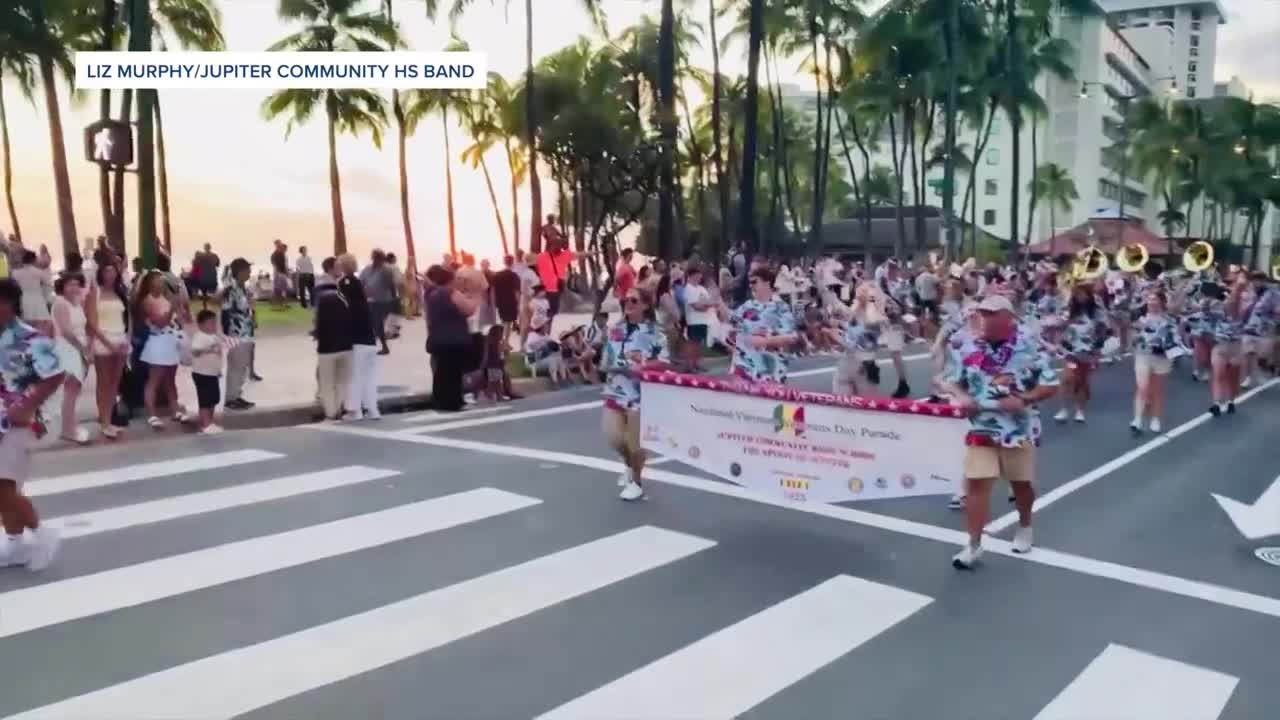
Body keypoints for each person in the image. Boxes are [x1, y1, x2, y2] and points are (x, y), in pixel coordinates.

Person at [943, 294, 1059, 569]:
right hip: (982, 426)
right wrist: (962, 397)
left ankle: (1025, 526)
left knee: (1020, 485)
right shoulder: (968, 347)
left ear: (1008, 319)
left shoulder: (1029, 348)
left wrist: (1026, 399)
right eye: (983, 313)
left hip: (1017, 428)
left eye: (992, 314)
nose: (984, 319)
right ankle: (973, 545)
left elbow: (1051, 384)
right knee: (976, 484)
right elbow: (951, 382)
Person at [0, 278, 65, 570]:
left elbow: (56, 374)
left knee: (3, 487)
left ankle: (43, 534)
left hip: (18, 422)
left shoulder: (31, 339)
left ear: (11, 304)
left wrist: (27, 404)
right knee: (7, 489)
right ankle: (15, 545)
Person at [601, 286, 670, 501]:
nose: (628, 305)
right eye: (625, 301)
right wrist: (605, 365)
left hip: (640, 395)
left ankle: (636, 482)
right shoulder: (616, 329)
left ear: (645, 305)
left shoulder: (655, 332)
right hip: (615, 389)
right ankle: (630, 465)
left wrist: (645, 366)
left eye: (633, 301)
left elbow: (665, 362)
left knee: (634, 442)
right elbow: (606, 357)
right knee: (613, 438)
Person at [725, 267, 799, 384]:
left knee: (771, 402)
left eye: (755, 282)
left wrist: (765, 341)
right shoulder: (746, 307)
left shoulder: (780, 307)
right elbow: (731, 326)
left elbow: (791, 337)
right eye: (750, 283)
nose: (751, 286)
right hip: (744, 369)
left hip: (771, 371)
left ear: (767, 282)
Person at [425, 265, 480, 411]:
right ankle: (453, 402)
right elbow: (469, 309)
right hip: (454, 338)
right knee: (453, 371)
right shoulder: (450, 292)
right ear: (450, 280)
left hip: (438, 337)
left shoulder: (431, 293)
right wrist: (476, 296)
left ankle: (439, 401)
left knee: (441, 372)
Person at [134, 270, 185, 429]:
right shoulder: (147, 301)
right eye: (157, 281)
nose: (161, 284)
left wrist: (179, 309)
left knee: (170, 378)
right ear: (149, 284)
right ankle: (152, 414)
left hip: (170, 340)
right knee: (154, 379)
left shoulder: (165, 298)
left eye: (162, 281)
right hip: (158, 341)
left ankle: (175, 409)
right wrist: (172, 309)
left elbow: (179, 318)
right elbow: (160, 322)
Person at [1053, 283, 1107, 423]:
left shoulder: (1097, 311)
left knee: (1082, 380)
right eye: (1078, 294)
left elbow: (1102, 331)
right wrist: (1059, 340)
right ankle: (1063, 410)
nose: (1080, 297)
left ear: (1089, 295)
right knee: (1067, 378)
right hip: (1070, 350)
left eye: (1083, 294)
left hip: (1088, 351)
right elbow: (1059, 325)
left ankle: (1080, 410)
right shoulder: (1069, 309)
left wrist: (1097, 351)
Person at [88, 261, 129, 440]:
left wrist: (127, 338)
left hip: (120, 337)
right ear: (101, 273)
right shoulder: (95, 292)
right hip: (102, 339)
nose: (110, 275)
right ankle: (104, 421)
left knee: (115, 383)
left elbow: (128, 317)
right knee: (104, 383)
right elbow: (91, 322)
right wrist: (107, 343)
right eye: (107, 271)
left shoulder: (120, 292)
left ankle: (109, 419)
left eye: (113, 271)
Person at [50, 273, 92, 445]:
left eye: (76, 284)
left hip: (79, 347)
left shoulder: (77, 303)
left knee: (74, 390)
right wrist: (83, 351)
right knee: (71, 391)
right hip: (69, 349)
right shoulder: (60, 303)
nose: (74, 288)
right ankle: (68, 429)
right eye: (70, 284)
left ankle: (69, 427)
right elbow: (67, 331)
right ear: (62, 286)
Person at [1130, 289, 1179, 435]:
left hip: (1162, 358)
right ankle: (1137, 420)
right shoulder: (1140, 318)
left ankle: (1155, 418)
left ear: (1162, 302)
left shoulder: (1169, 319)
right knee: (1142, 387)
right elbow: (1132, 338)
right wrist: (1137, 334)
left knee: (1157, 391)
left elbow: (1175, 339)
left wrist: (1167, 347)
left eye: (1155, 299)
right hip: (1143, 355)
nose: (1151, 302)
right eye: (1149, 299)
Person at [339, 254, 381, 420]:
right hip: (370, 340)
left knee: (355, 376)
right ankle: (373, 408)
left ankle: (354, 410)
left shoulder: (346, 284)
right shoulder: (363, 299)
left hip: (357, 341)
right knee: (369, 376)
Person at [826, 283, 884, 396]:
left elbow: (862, 346)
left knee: (867, 408)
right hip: (845, 365)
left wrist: (837, 338)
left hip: (864, 367)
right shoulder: (853, 313)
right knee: (841, 404)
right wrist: (829, 290)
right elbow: (836, 305)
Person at [313, 256, 353, 420]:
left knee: (332, 374)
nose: (341, 269)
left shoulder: (331, 286)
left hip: (331, 339)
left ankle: (333, 408)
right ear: (330, 268)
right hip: (336, 337)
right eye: (338, 266)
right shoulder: (327, 286)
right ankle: (333, 407)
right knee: (333, 375)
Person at [220, 258, 256, 411]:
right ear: (240, 272)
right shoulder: (230, 290)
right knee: (235, 366)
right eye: (247, 270)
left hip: (246, 331)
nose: (249, 272)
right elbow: (225, 312)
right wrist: (228, 334)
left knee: (243, 366)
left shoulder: (245, 289)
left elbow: (248, 309)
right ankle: (231, 398)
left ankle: (237, 395)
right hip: (236, 333)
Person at [189, 310, 225, 434]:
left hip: (212, 373)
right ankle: (205, 423)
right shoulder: (200, 337)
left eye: (214, 323)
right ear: (201, 325)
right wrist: (208, 349)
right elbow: (195, 351)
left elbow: (218, 355)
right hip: (202, 373)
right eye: (210, 323)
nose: (213, 326)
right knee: (205, 399)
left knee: (214, 398)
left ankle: (209, 421)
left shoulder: (214, 337)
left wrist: (218, 369)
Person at [1240, 272, 1277, 388]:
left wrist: (1272, 325)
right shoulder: (1248, 293)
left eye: (1260, 280)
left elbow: (1277, 311)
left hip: (1263, 329)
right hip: (1247, 327)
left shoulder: (1272, 294)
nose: (1257, 283)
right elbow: (1241, 308)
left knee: (1259, 355)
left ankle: (1258, 374)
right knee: (1247, 353)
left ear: (1264, 281)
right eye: (1255, 280)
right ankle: (1247, 377)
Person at [360, 250, 397, 356]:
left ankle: (383, 345)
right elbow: (361, 283)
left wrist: (394, 299)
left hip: (384, 301)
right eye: (375, 257)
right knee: (376, 324)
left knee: (377, 323)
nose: (377, 260)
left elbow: (391, 285)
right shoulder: (367, 270)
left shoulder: (386, 271)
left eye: (379, 258)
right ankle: (383, 346)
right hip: (371, 301)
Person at [12, 251, 52, 332]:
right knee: (42, 323)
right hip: (37, 298)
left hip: (24, 298)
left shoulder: (16, 273)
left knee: (26, 324)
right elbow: (48, 283)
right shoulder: (38, 272)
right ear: (33, 260)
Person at [269, 240, 290, 310]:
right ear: (276, 244)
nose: (280, 245)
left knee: (282, 289)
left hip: (282, 272)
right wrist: (278, 271)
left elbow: (284, 264)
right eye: (279, 244)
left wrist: (286, 271)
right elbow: (273, 263)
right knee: (278, 290)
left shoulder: (281, 253)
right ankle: (277, 306)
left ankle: (282, 305)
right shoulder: (275, 254)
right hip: (278, 273)